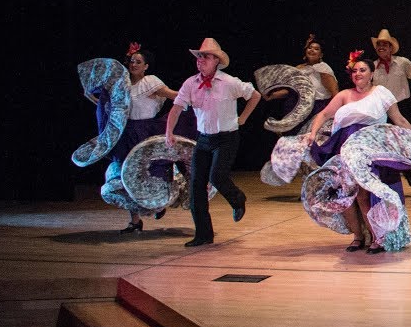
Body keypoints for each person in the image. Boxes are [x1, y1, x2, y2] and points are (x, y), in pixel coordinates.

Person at [304, 50, 410, 253]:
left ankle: (378, 237)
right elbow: (324, 113)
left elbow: (399, 119)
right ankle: (358, 236)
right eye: (354, 71)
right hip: (345, 148)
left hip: (371, 148)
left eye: (362, 70)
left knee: (365, 194)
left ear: (372, 73)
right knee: (347, 195)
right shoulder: (344, 95)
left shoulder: (381, 92)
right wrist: (312, 133)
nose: (358, 74)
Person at [165, 38, 261, 248]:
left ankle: (237, 199)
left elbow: (254, 95)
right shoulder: (191, 83)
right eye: (199, 57)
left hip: (226, 138)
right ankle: (203, 234)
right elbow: (176, 108)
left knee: (217, 176)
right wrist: (169, 132)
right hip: (204, 139)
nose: (200, 61)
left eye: (205, 57)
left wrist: (243, 118)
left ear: (216, 60)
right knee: (196, 186)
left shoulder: (229, 82)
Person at [108, 43, 194, 232]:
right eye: (131, 61)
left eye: (138, 62)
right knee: (127, 176)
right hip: (127, 133)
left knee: (152, 172)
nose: (134, 64)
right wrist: (92, 97)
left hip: (146, 131)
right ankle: (135, 221)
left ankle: (158, 203)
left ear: (146, 66)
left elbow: (176, 96)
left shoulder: (150, 83)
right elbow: (111, 106)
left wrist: (197, 98)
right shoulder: (124, 86)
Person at [371, 28, 411, 185]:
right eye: (379, 45)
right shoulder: (372, 66)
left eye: (384, 44)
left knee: (403, 140)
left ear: (390, 47)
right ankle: (387, 174)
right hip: (382, 108)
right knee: (385, 141)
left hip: (401, 104)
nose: (381, 47)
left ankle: (407, 172)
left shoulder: (402, 62)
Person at [263, 34, 339, 128]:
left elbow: (335, 93)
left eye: (316, 49)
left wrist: (335, 113)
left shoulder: (323, 69)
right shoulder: (299, 68)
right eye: (310, 47)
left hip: (317, 108)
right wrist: (273, 95)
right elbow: (292, 90)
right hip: (297, 107)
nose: (312, 50)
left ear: (321, 54)